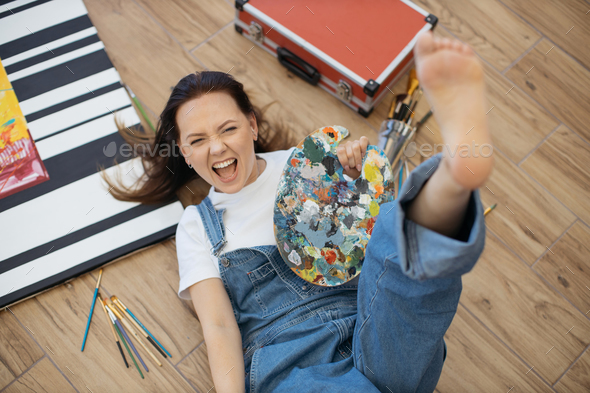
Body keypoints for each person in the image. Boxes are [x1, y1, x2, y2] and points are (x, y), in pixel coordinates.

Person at [102, 30, 494, 392]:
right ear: (185, 154)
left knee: (394, 225)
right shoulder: (196, 226)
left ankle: (450, 182)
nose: (217, 148)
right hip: (291, 359)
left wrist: (354, 185)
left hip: (368, 321)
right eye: (198, 140)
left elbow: (366, 248)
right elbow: (219, 326)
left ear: (251, 126)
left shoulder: (304, 160)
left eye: (227, 129)